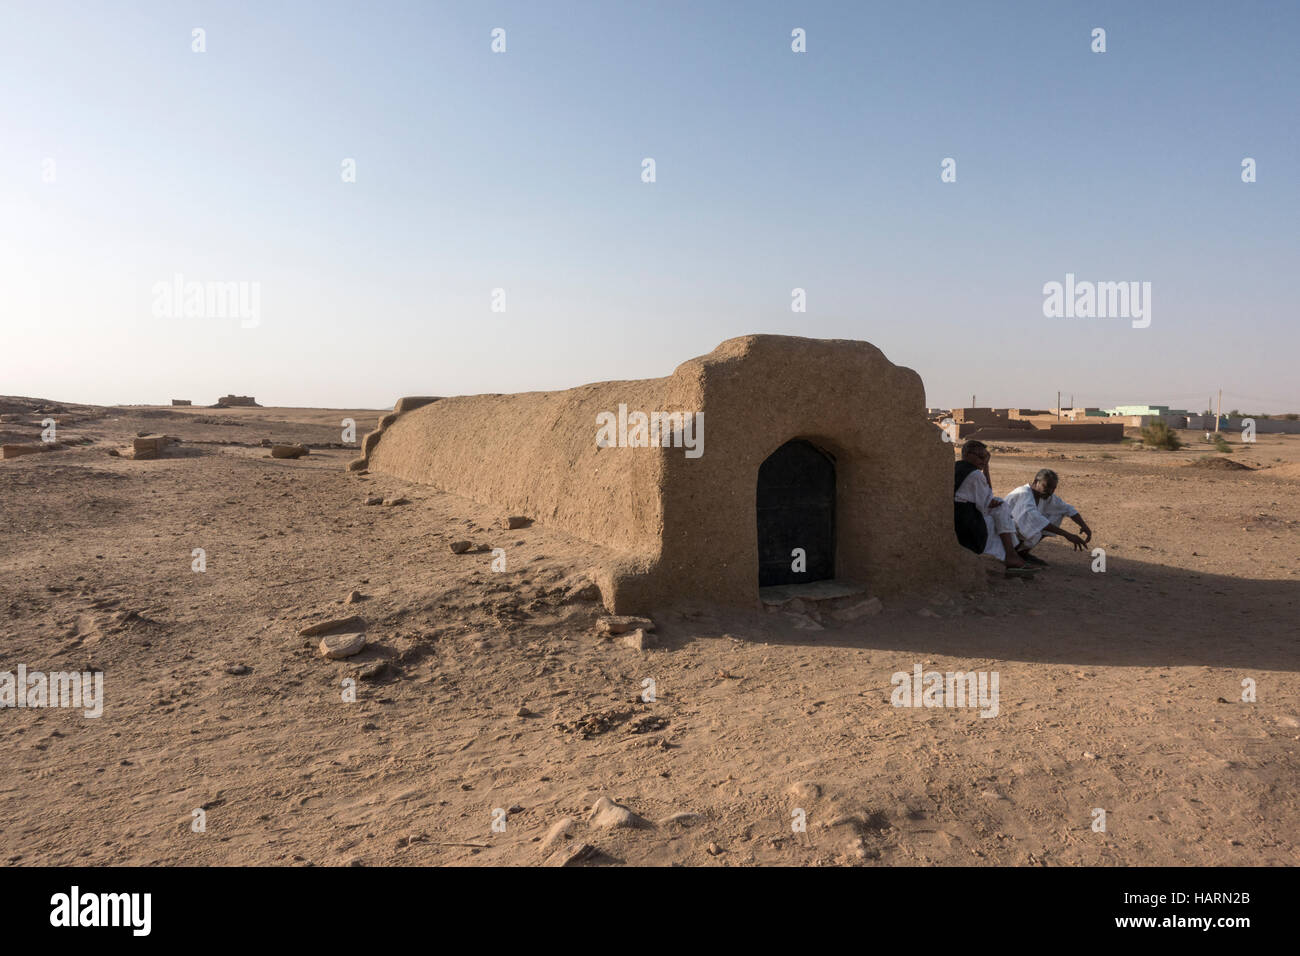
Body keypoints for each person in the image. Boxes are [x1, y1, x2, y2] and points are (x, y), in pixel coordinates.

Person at [953, 440, 1031, 571]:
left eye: (986, 457)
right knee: (1001, 509)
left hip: (957, 515)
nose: (983, 460)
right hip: (966, 523)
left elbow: (986, 499)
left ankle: (1011, 554)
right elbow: (987, 501)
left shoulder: (956, 467)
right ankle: (1011, 554)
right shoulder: (975, 474)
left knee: (1000, 509)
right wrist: (986, 470)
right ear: (966, 454)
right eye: (980, 456)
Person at [1002, 468, 1093, 566]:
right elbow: (1035, 520)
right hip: (1003, 531)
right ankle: (1011, 554)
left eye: (1053, 488)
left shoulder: (1044, 495)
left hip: (1015, 528)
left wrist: (1084, 526)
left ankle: (1022, 553)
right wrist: (1067, 535)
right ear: (1036, 482)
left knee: (1056, 515)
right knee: (1035, 527)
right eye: (1047, 486)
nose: (1050, 491)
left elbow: (1068, 509)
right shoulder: (1024, 494)